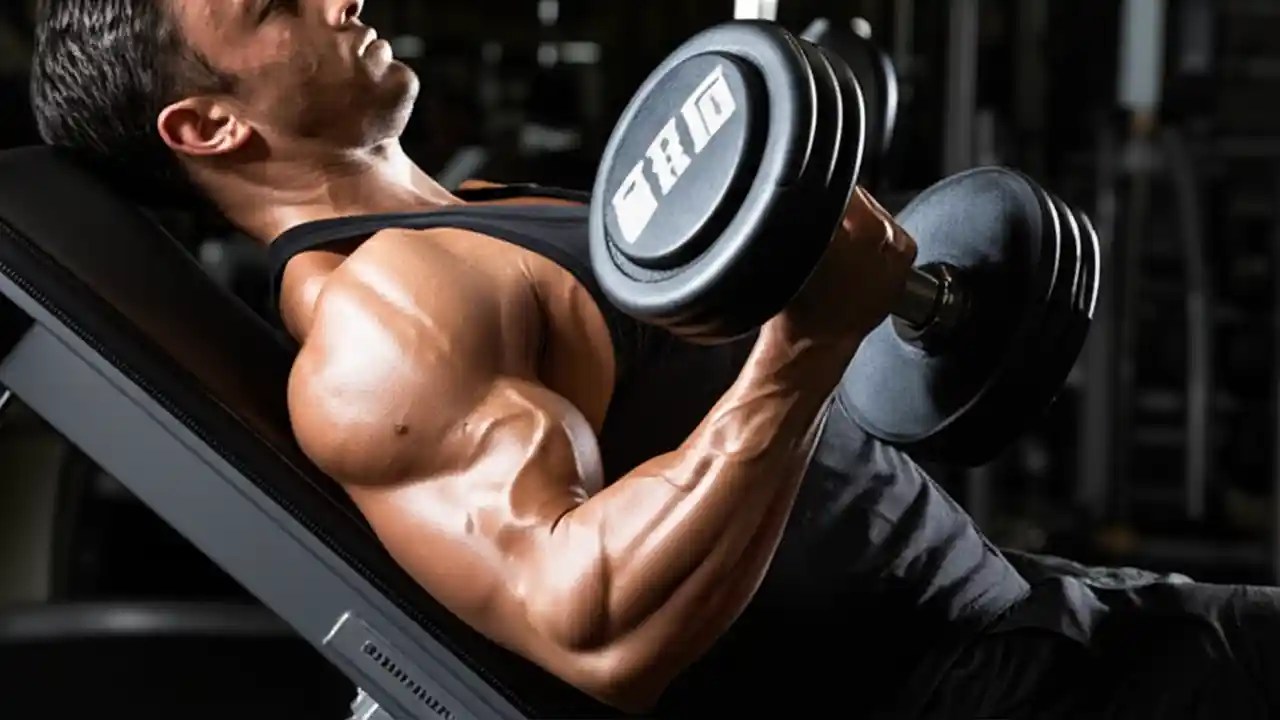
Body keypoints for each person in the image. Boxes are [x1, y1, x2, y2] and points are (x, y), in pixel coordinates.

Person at [27, 1, 1280, 718]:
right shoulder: (383, 321)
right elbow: (595, 625)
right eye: (270, 6)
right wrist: (806, 343)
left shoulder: (463, 224)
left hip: (1035, 625)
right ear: (205, 124)